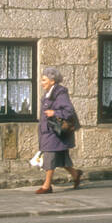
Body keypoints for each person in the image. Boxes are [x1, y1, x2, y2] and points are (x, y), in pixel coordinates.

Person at [36, 66, 83, 194]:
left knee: (49, 156)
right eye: (42, 80)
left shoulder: (60, 93)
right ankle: (75, 174)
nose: (42, 83)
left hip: (55, 132)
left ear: (52, 81)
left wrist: (54, 112)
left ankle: (47, 185)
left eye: (44, 80)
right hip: (50, 131)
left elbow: (69, 111)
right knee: (62, 159)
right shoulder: (48, 94)